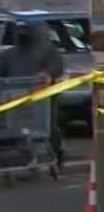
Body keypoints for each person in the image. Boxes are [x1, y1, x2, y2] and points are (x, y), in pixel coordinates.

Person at [0, 22, 66, 163]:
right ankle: (25, 153)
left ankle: (54, 151)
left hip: (42, 98)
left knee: (47, 126)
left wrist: (47, 74)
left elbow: (55, 67)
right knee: (17, 126)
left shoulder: (49, 52)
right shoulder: (9, 54)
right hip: (16, 97)